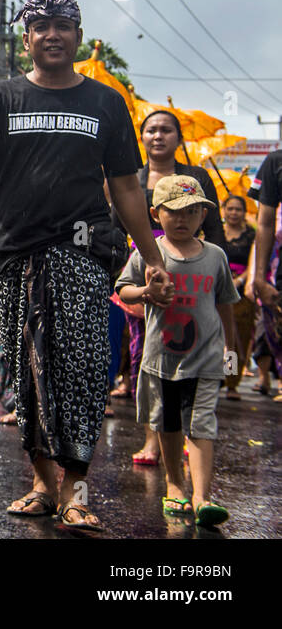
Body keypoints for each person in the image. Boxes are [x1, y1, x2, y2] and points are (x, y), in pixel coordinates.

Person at [0, 0, 169, 533]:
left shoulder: (106, 103)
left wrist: (153, 255)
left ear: (76, 33)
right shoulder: (0, 97)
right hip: (17, 257)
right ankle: (43, 484)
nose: (52, 35)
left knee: (83, 370)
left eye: (62, 26)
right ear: (26, 38)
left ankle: (76, 489)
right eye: (40, 26)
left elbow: (127, 188)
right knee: (26, 372)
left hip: (85, 254)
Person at [116, 175, 236, 527]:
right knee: (168, 425)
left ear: (203, 215)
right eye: (174, 211)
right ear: (156, 214)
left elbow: (226, 306)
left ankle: (202, 496)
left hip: (207, 359)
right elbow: (123, 290)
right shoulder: (149, 254)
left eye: (193, 211)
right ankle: (175, 485)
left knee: (201, 425)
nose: (183, 219)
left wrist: (231, 352)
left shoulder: (215, 256)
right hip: (162, 360)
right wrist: (145, 294)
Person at [123, 109, 226, 467]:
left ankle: (186, 435)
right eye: (151, 130)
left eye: (166, 130)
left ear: (178, 138)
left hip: (190, 278)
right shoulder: (131, 179)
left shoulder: (195, 177)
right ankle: (155, 438)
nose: (158, 136)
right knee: (147, 357)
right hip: (142, 277)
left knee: (189, 359)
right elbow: (114, 223)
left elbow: (214, 231)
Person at [247, 149, 282, 398]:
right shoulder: (276, 162)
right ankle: (236, 377)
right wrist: (258, 278)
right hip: (276, 278)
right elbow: (265, 223)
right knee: (261, 337)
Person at [220, 194, 256, 400]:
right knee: (218, 338)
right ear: (223, 210)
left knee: (236, 338)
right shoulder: (215, 234)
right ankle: (216, 378)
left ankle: (231, 381)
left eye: (238, 209)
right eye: (230, 208)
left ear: (244, 213)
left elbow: (253, 262)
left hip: (241, 294)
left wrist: (240, 280)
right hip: (217, 292)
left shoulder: (251, 235)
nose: (234, 213)